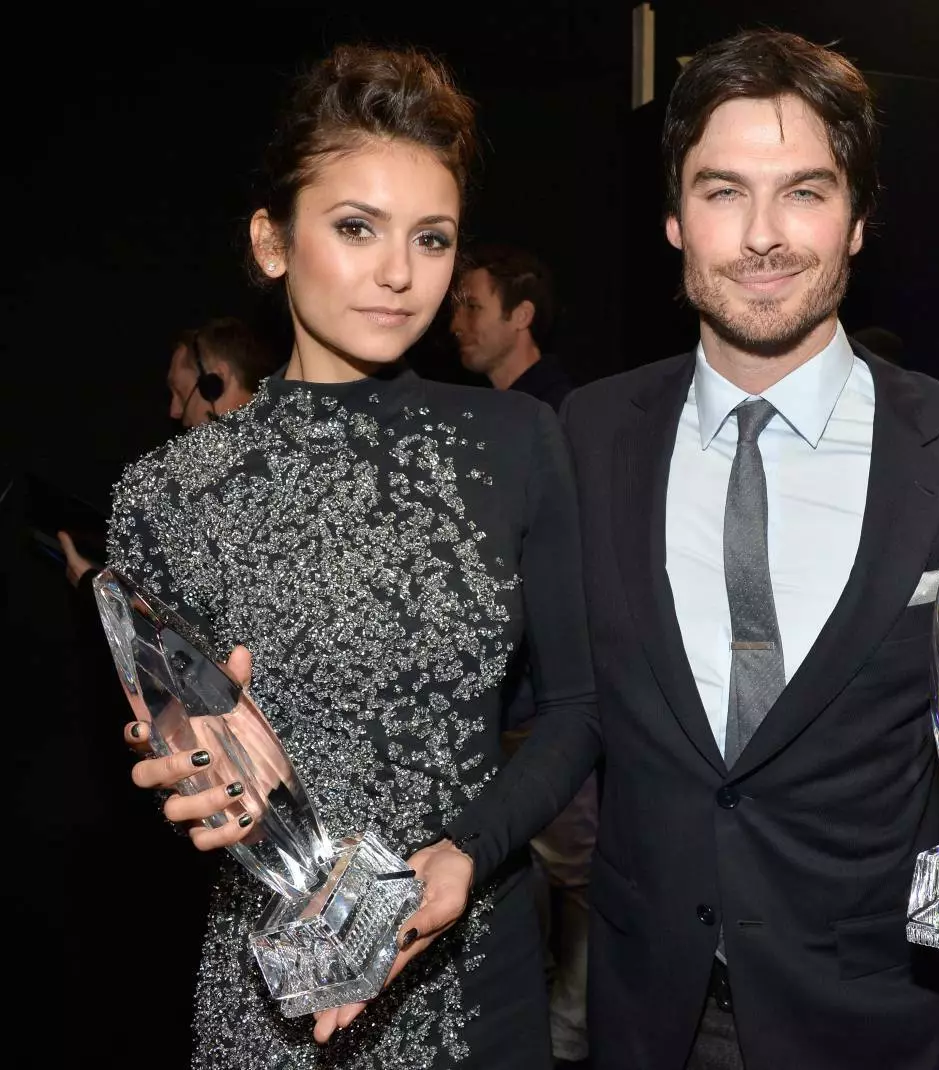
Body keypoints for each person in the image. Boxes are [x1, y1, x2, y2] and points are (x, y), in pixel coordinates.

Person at [406, 29, 939, 1070]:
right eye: (725, 192)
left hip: (876, 1023)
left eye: (805, 192)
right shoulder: (582, 438)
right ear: (675, 218)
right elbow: (524, 702)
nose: (764, 235)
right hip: (643, 1017)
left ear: (858, 219)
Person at [110, 44, 594, 1069]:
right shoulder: (169, 494)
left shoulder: (515, 443)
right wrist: (187, 774)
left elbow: (577, 709)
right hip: (274, 991)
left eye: (432, 239)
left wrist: (467, 853)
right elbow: (189, 751)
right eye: (355, 227)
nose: (397, 272)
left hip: (480, 971)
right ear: (272, 241)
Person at [452, 241, 594, 1067]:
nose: (456, 320)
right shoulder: (471, 420)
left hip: (545, 714)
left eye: (473, 303)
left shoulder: (560, 420)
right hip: (499, 714)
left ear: (522, 316)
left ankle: (572, 1040)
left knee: (583, 888)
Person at [57, 316, 277, 586]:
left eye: (180, 391)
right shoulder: (274, 450)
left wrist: (99, 590)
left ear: (216, 382)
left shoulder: (241, 475)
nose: (174, 411)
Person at [451, 244, 573, 409]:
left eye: (473, 308)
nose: (455, 326)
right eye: (457, 310)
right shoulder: (481, 408)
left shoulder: (560, 412)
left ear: (522, 316)